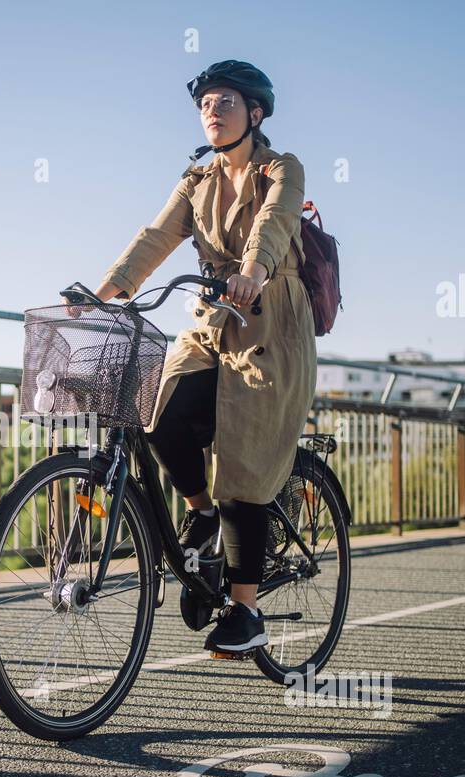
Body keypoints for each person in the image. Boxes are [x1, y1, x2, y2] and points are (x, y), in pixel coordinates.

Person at [82, 60, 318, 654]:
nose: (212, 111)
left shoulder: (281, 167)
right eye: (205, 103)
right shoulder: (197, 179)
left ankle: (246, 611)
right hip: (215, 322)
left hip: (272, 323)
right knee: (157, 415)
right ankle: (201, 513)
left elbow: (276, 221)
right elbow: (156, 237)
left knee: (243, 463)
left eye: (225, 102)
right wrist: (102, 292)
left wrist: (253, 271)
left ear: (255, 113)